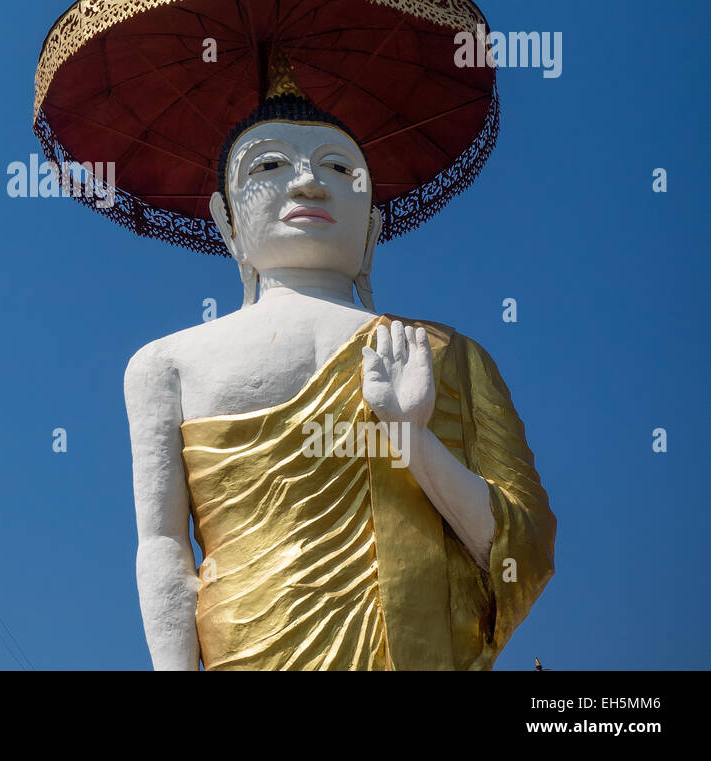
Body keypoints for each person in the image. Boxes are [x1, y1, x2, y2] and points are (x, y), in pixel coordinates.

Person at [123, 95, 555, 670]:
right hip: (247, 646)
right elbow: (163, 548)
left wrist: (413, 442)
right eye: (270, 165)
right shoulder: (168, 362)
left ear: (372, 222)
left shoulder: (446, 354)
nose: (309, 184)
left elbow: (524, 549)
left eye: (338, 167)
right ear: (226, 219)